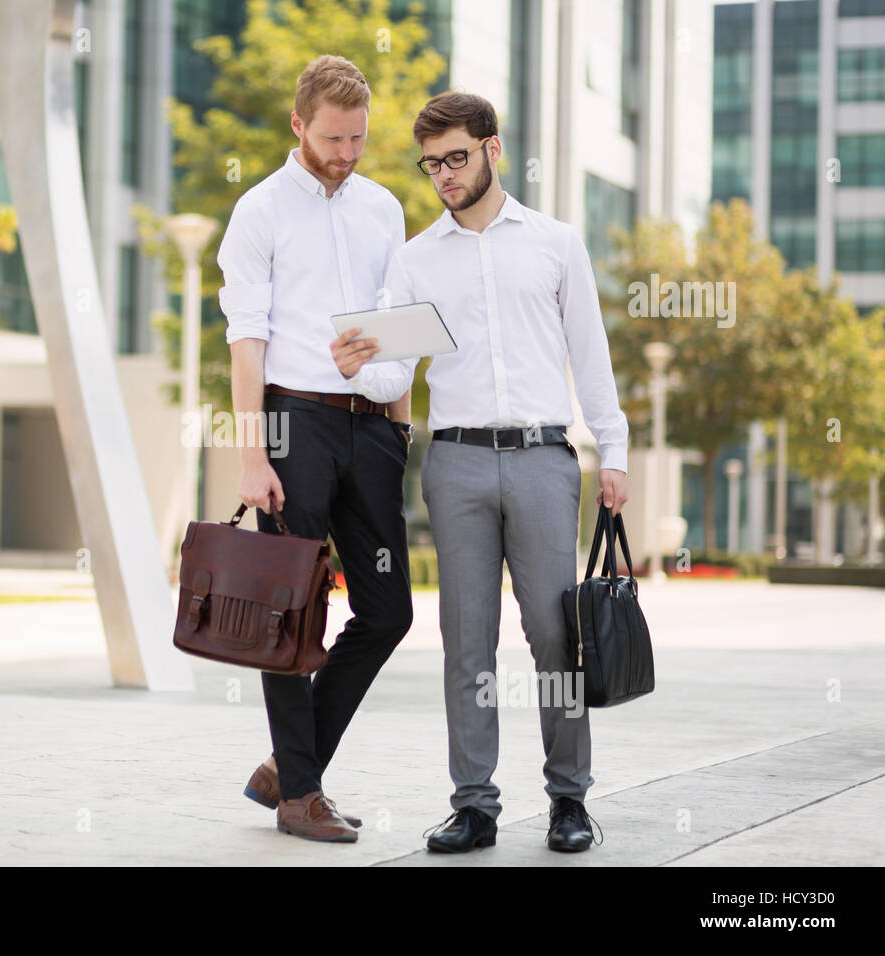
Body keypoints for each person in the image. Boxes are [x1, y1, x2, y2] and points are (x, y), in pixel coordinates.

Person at [331, 91, 630, 854]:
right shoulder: (416, 257)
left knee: (555, 639)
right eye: (431, 165)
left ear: (494, 148)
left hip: (543, 459)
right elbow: (393, 369)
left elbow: (590, 359)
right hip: (456, 460)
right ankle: (475, 805)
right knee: (466, 641)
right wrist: (356, 366)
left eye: (455, 158)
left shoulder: (556, 244)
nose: (443, 177)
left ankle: (569, 801)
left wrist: (615, 452)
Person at [217, 55, 414, 844]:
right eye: (333, 137)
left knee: (389, 610)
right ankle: (300, 795)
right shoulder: (258, 211)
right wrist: (252, 454)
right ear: (299, 125)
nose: (347, 152)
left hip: (372, 428)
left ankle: (288, 767)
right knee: (291, 612)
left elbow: (400, 320)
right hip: (293, 424)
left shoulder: (384, 208)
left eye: (359, 138)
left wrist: (400, 428)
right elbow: (246, 343)